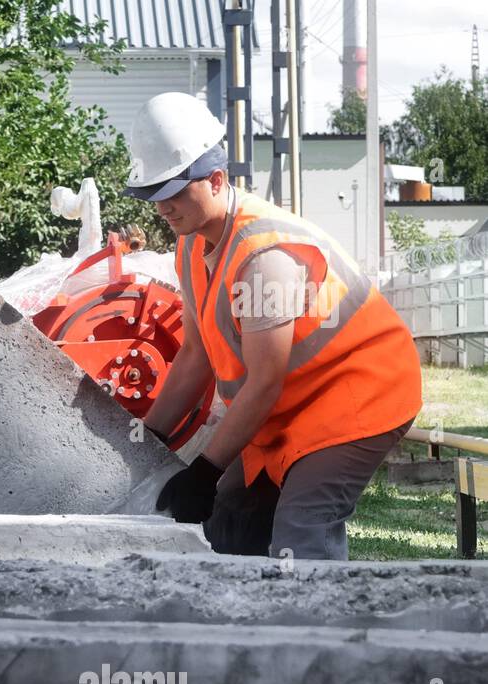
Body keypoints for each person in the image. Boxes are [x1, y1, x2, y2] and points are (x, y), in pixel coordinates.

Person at [127, 92, 422, 560]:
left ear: (217, 179)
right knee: (230, 518)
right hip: (292, 401)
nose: (162, 206)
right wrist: (146, 438)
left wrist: (204, 471)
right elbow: (196, 355)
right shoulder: (191, 245)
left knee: (302, 528)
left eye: (174, 191)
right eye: (153, 194)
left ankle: (326, 630)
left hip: (355, 395)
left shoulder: (264, 255)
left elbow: (264, 382)